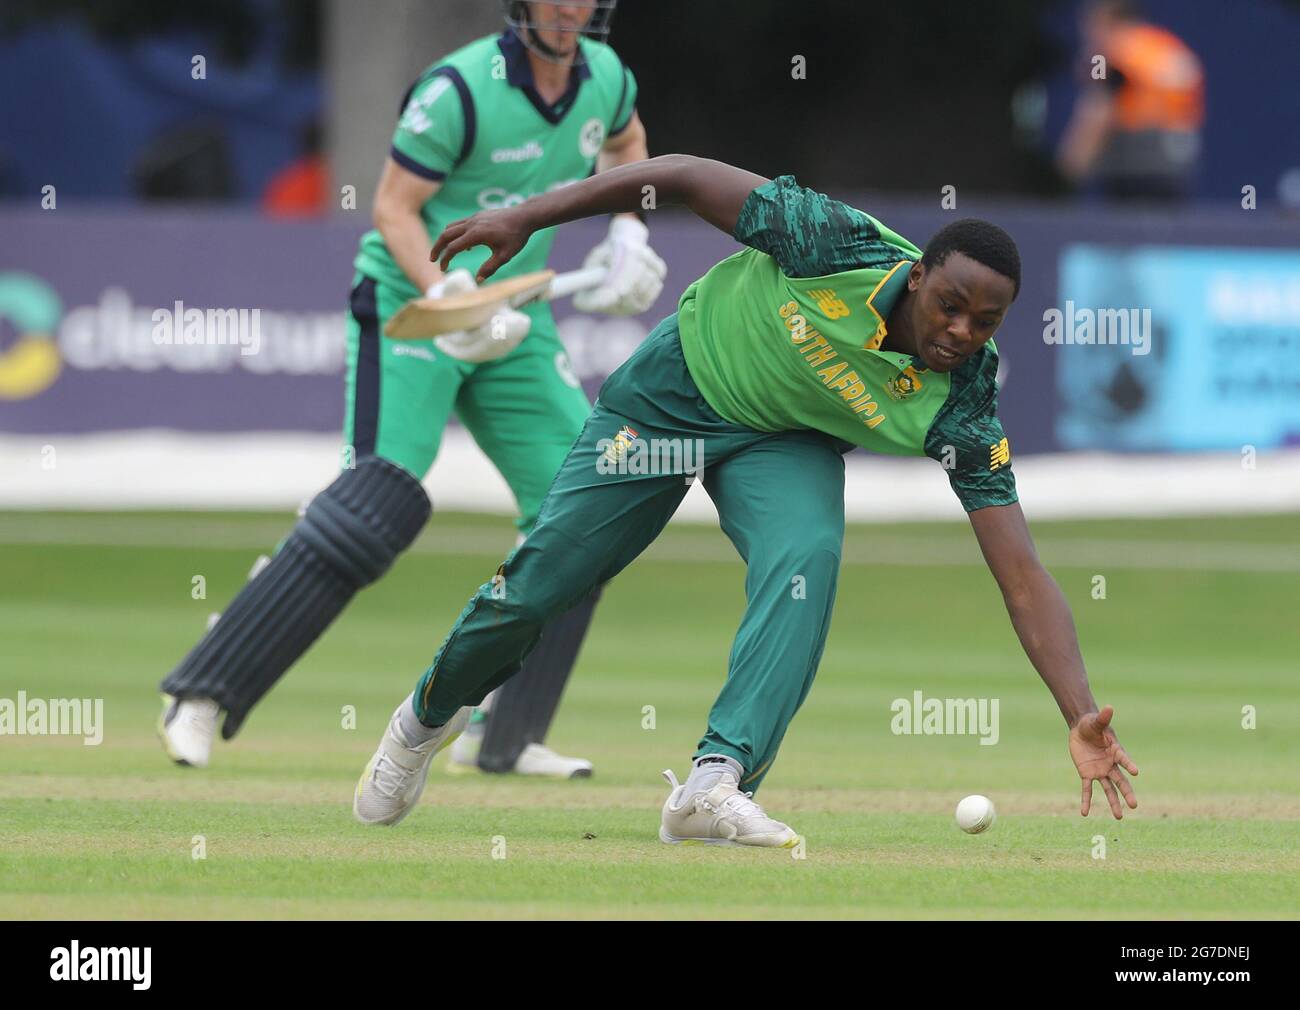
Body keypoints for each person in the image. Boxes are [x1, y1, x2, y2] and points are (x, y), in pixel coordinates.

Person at [351, 153, 1141, 845]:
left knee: (807, 559)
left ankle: (713, 785)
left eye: (986, 321)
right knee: (548, 579)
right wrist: (527, 214)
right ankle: (424, 718)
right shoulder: (833, 241)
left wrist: (1079, 709)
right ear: (921, 275)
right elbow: (684, 175)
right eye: (951, 306)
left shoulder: (964, 402)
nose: (962, 331)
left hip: (782, 441)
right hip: (675, 393)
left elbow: (1022, 575)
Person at [158, 1, 665, 778]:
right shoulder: (459, 89)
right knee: (375, 503)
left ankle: (505, 733)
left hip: (515, 317)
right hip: (409, 306)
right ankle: (205, 688)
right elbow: (395, 207)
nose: (571, 6)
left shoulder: (608, 79)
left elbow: (627, 146)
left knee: (590, 506)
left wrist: (629, 228)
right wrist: (447, 294)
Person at [1056, 0, 1204, 201]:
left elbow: (1098, 110)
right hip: (1177, 165)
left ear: (1105, 18)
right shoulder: (1164, 46)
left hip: (1133, 167)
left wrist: (1065, 175)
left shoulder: (1115, 52)